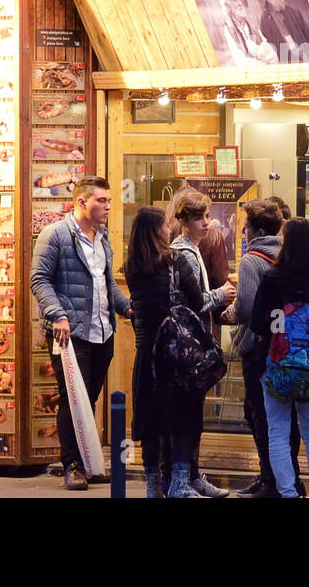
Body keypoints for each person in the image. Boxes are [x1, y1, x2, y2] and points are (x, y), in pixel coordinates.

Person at [29, 176, 132, 491]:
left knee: (89, 400)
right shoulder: (55, 235)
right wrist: (57, 315)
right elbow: (39, 279)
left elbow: (107, 283)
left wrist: (127, 309)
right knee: (73, 401)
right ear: (81, 202)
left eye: (110, 201)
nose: (108, 207)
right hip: (69, 334)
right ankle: (72, 466)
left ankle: (89, 465)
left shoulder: (102, 238)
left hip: (102, 331)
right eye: (102, 200)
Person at [250, 218, 309, 497]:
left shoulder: (272, 278)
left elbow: (256, 323)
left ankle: (288, 493)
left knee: (278, 433)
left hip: (275, 365)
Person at [123, 206, 208, 498]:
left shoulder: (132, 266)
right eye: (165, 225)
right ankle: (181, 486)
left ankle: (152, 486)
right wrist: (221, 294)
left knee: (150, 421)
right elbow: (197, 303)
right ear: (156, 230)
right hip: (175, 354)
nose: (169, 228)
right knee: (182, 419)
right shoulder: (176, 260)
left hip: (146, 354)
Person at [222, 199, 301, 498]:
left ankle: (271, 480)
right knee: (285, 416)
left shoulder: (251, 260)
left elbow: (245, 307)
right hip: (289, 346)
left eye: (245, 227)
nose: (242, 232)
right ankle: (286, 478)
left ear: (255, 230)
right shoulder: (289, 254)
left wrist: (226, 313)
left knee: (258, 413)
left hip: (258, 347)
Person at [166, 188, 236, 496]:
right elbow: (191, 304)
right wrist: (223, 295)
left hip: (193, 344)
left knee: (193, 416)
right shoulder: (185, 255)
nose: (206, 224)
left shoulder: (190, 249)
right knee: (187, 416)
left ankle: (191, 475)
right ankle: (183, 479)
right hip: (189, 348)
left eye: (207, 216)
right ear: (184, 221)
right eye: (199, 218)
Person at [216, 0, 277, 66]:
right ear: (227, 6)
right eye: (234, 0)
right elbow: (242, 62)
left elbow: (270, 52)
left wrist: (259, 54)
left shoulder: (250, 23)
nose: (240, 3)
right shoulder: (230, 29)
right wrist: (264, 61)